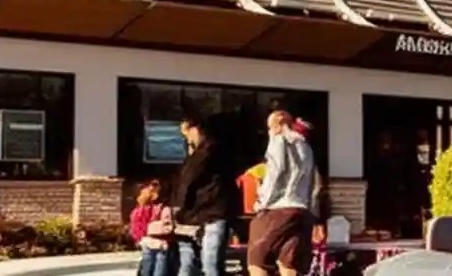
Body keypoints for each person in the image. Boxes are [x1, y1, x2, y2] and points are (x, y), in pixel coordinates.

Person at [248, 111, 326, 276]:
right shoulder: (305, 146)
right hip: (301, 211)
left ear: (279, 123)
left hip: (278, 208)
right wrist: (314, 216)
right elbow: (316, 185)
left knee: (258, 261)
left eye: (270, 126)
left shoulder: (280, 139)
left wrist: (262, 202)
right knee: (290, 263)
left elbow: (277, 170)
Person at [173, 115, 238, 276]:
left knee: (206, 265)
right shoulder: (214, 152)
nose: (186, 137)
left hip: (207, 213)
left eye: (186, 132)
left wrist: (178, 207)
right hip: (205, 213)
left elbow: (188, 180)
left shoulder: (206, 152)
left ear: (195, 129)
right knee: (201, 264)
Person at [131, 179, 173, 276]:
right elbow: (137, 226)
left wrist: (140, 239)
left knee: (151, 270)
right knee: (154, 270)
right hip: (156, 243)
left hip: (154, 243)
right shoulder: (144, 210)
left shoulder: (160, 208)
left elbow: (136, 227)